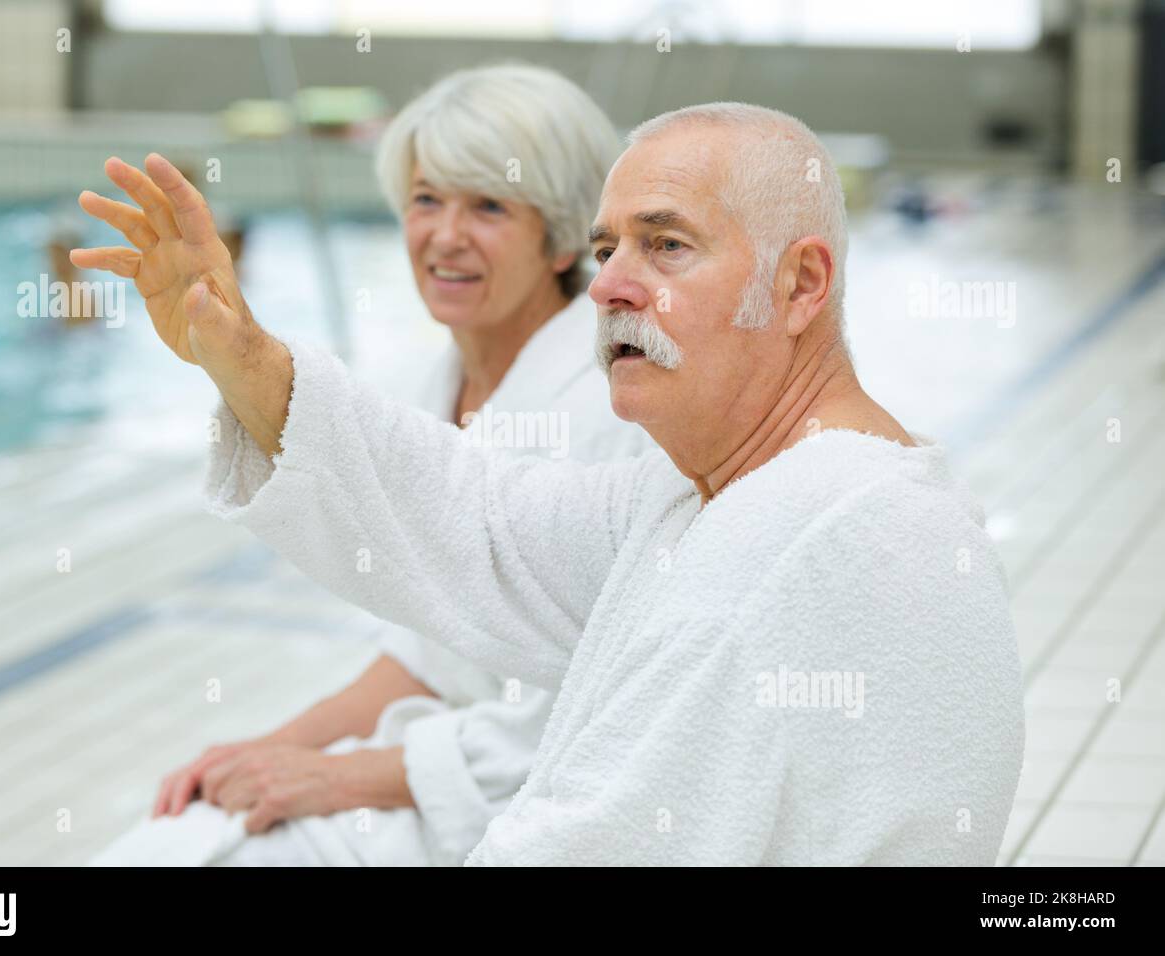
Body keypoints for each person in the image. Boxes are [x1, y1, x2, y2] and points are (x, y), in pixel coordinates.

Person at [73, 101, 1025, 865]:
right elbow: (477, 522)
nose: (611, 284)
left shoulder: (791, 553)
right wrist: (243, 356)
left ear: (801, 286)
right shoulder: (725, 493)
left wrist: (341, 779)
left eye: (668, 246)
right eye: (610, 248)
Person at [88, 65, 650, 867]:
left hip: (522, 810)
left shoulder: (618, 408)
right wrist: (264, 751)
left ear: (564, 235)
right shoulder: (432, 386)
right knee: (169, 841)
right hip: (427, 771)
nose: (445, 235)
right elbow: (427, 652)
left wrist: (337, 777)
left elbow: (612, 719)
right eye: (427, 200)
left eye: (488, 205)